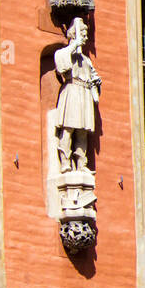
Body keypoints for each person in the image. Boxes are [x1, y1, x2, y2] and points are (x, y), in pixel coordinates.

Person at [54, 17, 100, 172]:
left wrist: (95, 82)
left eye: (86, 34)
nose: (85, 37)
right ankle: (65, 161)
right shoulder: (64, 53)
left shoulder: (86, 60)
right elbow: (62, 66)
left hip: (84, 93)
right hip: (72, 90)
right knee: (68, 129)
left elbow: (92, 76)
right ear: (74, 34)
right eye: (83, 33)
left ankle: (81, 164)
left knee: (82, 131)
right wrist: (74, 45)